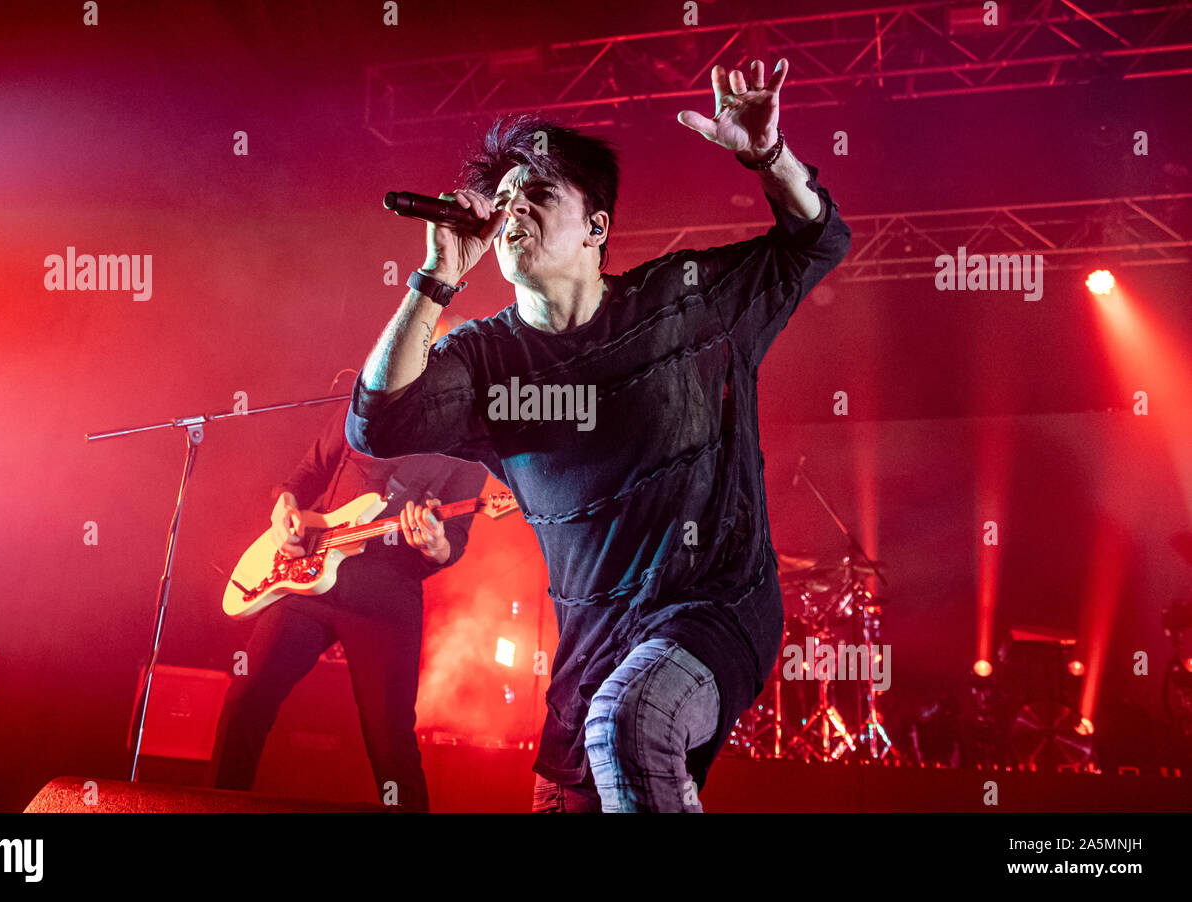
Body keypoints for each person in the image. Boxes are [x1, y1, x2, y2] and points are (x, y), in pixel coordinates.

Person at [345, 59, 851, 811]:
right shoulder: (488, 359)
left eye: (539, 196)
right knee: (587, 753)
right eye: (506, 199)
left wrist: (768, 156)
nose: (513, 211)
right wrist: (436, 278)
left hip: (713, 609)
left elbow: (817, 243)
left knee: (626, 721)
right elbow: (377, 424)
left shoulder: (686, 304)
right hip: (594, 658)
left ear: (596, 228)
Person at [213, 384, 488, 812]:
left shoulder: (468, 445)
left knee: (390, 742)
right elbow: (305, 475)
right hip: (308, 574)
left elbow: (453, 540)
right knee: (245, 701)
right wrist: (284, 507)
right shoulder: (366, 407)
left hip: (385, 595)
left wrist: (434, 544)